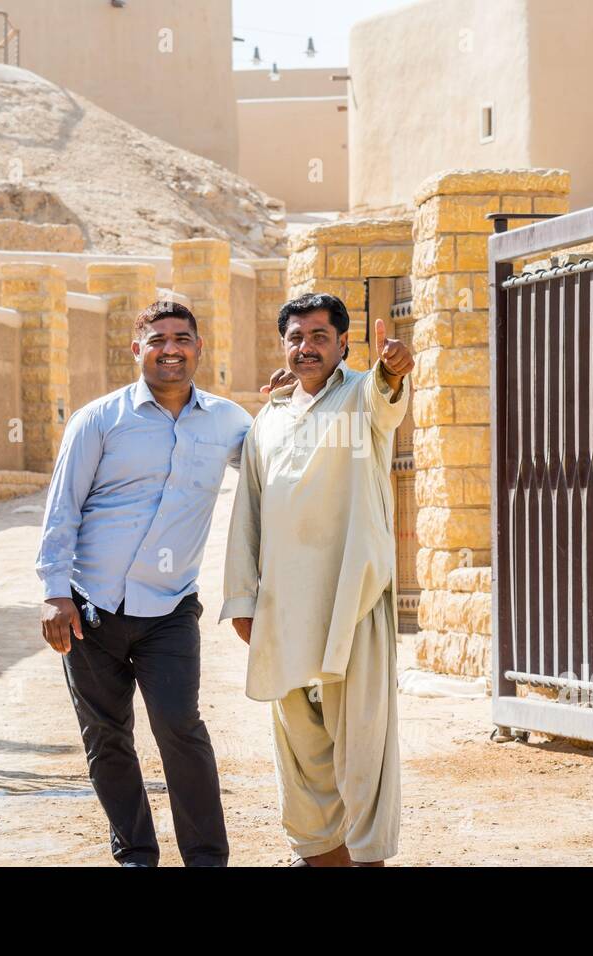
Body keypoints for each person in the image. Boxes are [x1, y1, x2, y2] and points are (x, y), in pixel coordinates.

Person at [37, 300, 251, 867]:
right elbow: (63, 509)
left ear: (199, 348)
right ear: (137, 350)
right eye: (157, 339)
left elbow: (278, 465)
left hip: (171, 608)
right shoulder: (98, 420)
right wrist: (56, 593)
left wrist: (289, 402)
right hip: (91, 609)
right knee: (107, 737)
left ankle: (206, 858)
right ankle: (135, 854)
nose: (170, 348)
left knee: (181, 726)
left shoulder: (230, 422)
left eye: (182, 338)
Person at [222, 292, 414, 867]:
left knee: (362, 750)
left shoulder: (360, 395)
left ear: (343, 344)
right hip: (284, 610)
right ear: (284, 345)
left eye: (319, 337)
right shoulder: (269, 419)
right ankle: (318, 857)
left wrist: (392, 370)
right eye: (296, 338)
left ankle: (368, 858)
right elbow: (249, 510)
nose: (306, 348)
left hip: (353, 603)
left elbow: (386, 397)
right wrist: (242, 598)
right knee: (302, 751)